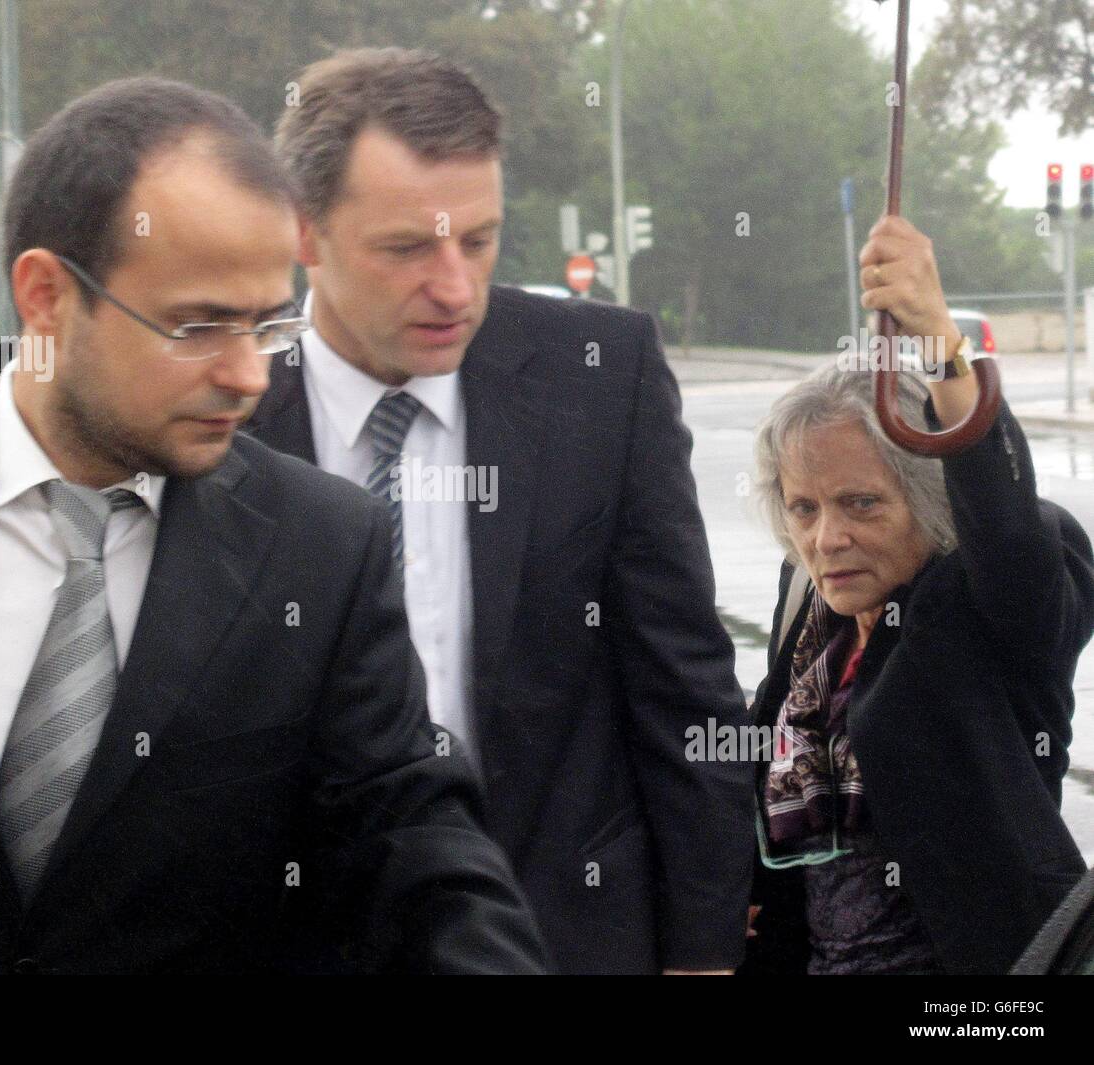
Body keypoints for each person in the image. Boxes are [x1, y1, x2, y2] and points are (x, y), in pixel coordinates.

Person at [0, 76, 546, 975]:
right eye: (200, 326)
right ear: (44, 295)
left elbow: (412, 840)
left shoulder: (317, 547)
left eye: (268, 327)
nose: (250, 376)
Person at [247, 47, 753, 974]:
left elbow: (686, 690)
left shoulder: (601, 377)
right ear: (303, 231)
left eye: (477, 241)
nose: (454, 287)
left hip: (570, 937)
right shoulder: (224, 419)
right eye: (408, 247)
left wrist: (704, 955)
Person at [742, 215, 1094, 975]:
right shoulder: (810, 606)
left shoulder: (987, 603)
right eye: (805, 508)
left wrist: (938, 338)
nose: (826, 539)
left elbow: (1001, 522)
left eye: (861, 503)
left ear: (929, 501)